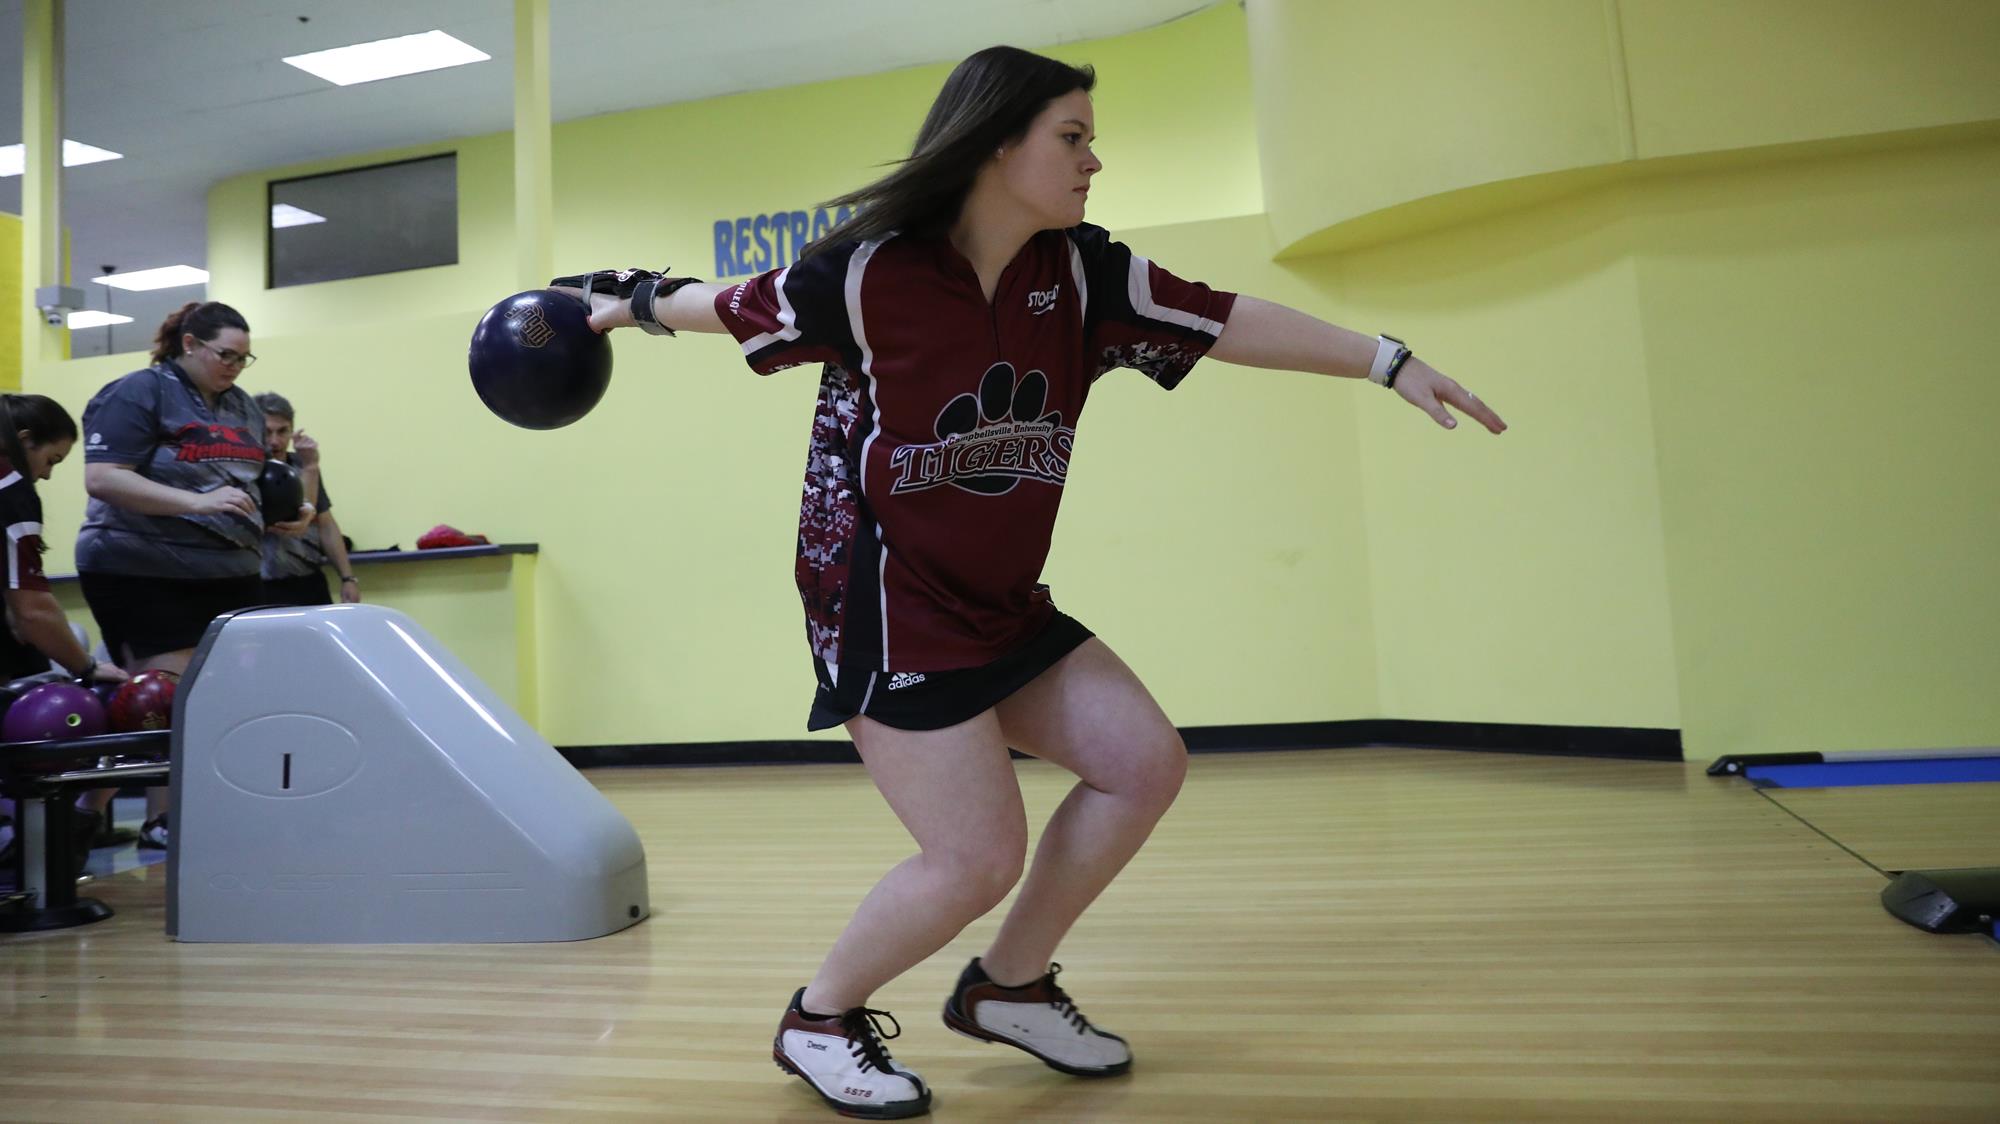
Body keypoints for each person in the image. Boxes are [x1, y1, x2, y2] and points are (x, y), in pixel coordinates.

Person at [556, 46, 1506, 1119]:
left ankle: (1005, 984)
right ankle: (819, 1015)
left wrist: (1383, 360)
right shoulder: (869, 271)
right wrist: (628, 300)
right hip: (882, 599)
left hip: (1000, 596)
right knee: (973, 855)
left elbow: (1225, 316)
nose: (1093, 160)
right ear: (997, 141)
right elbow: (729, 304)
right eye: (1072, 136)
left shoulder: (1083, 275)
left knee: (1141, 763)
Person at [74, 301, 313, 849]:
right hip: (141, 568)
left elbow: (245, 484)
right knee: (168, 701)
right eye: (225, 354)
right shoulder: (138, 391)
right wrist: (197, 503)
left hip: (228, 574)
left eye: (243, 357)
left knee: (215, 699)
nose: (234, 365)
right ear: (189, 344)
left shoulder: (243, 408)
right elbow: (104, 479)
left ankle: (97, 812)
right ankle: (135, 815)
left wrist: (281, 517)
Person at [254, 392, 359, 606]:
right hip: (259, 584)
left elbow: (323, 522)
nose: (274, 441)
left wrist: (348, 578)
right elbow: (290, 518)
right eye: (266, 433)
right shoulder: (245, 470)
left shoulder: (302, 466)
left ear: (292, 431)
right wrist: (311, 468)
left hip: (307, 579)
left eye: (282, 431)